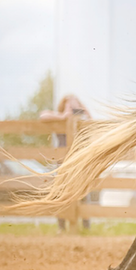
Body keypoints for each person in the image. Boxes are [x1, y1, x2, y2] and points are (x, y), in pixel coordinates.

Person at [40, 94, 93, 232]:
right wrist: (63, 116)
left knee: (83, 193)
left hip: (79, 162)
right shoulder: (59, 117)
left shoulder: (81, 121)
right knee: (61, 194)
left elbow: (92, 122)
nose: (73, 107)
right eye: (70, 104)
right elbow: (43, 116)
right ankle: (62, 227)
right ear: (63, 105)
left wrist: (83, 110)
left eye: (75, 104)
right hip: (63, 163)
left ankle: (86, 227)